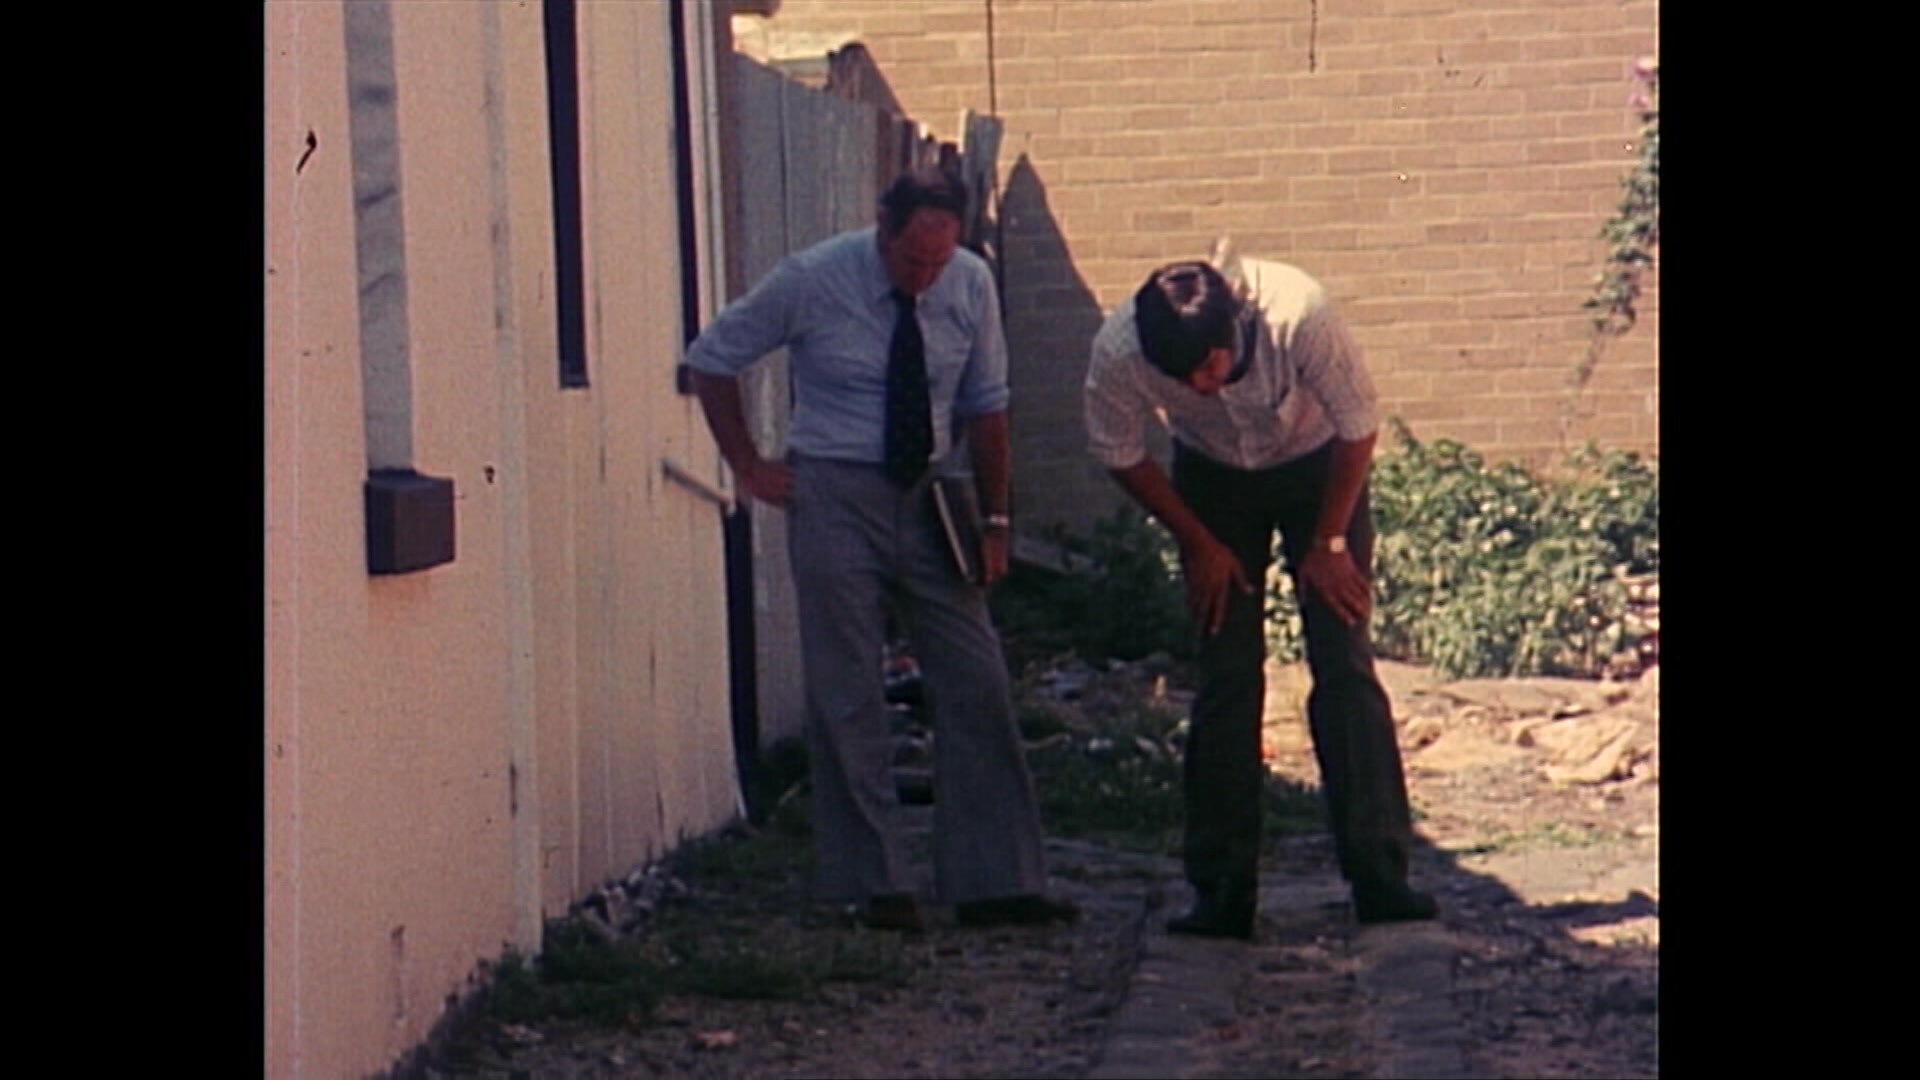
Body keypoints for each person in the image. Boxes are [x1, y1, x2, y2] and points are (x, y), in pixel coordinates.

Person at [685, 169, 1078, 932]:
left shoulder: (970, 285)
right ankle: (871, 881)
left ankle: (995, 878)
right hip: (833, 489)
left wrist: (996, 521)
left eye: (939, 261)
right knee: (847, 681)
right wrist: (749, 463)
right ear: (883, 233)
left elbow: (988, 405)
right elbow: (713, 357)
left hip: (930, 492)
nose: (926, 277)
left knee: (975, 675)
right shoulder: (813, 279)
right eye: (911, 262)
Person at [1081, 243, 1438, 938]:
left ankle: (1381, 876)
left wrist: (1330, 543)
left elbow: (1360, 426)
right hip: (1213, 483)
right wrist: (1197, 541)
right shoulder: (1118, 350)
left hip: (1318, 469)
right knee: (1224, 671)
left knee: (1341, 659)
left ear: (1235, 327)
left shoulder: (1299, 313)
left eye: (1209, 369)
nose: (1201, 388)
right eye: (1182, 381)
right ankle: (1221, 889)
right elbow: (1115, 448)